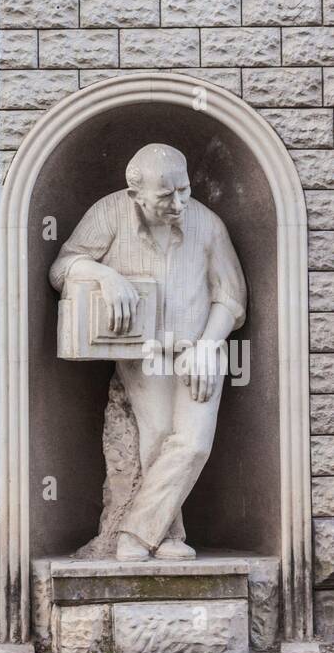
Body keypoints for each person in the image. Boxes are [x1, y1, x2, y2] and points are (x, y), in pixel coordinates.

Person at [49, 144, 247, 561]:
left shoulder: (208, 225)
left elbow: (231, 298)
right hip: (144, 353)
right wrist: (104, 274)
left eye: (184, 190)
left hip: (199, 350)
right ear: (135, 192)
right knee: (156, 440)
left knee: (193, 442)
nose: (178, 203)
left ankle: (135, 535)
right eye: (165, 196)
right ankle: (169, 537)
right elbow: (62, 268)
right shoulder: (108, 214)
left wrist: (209, 346)